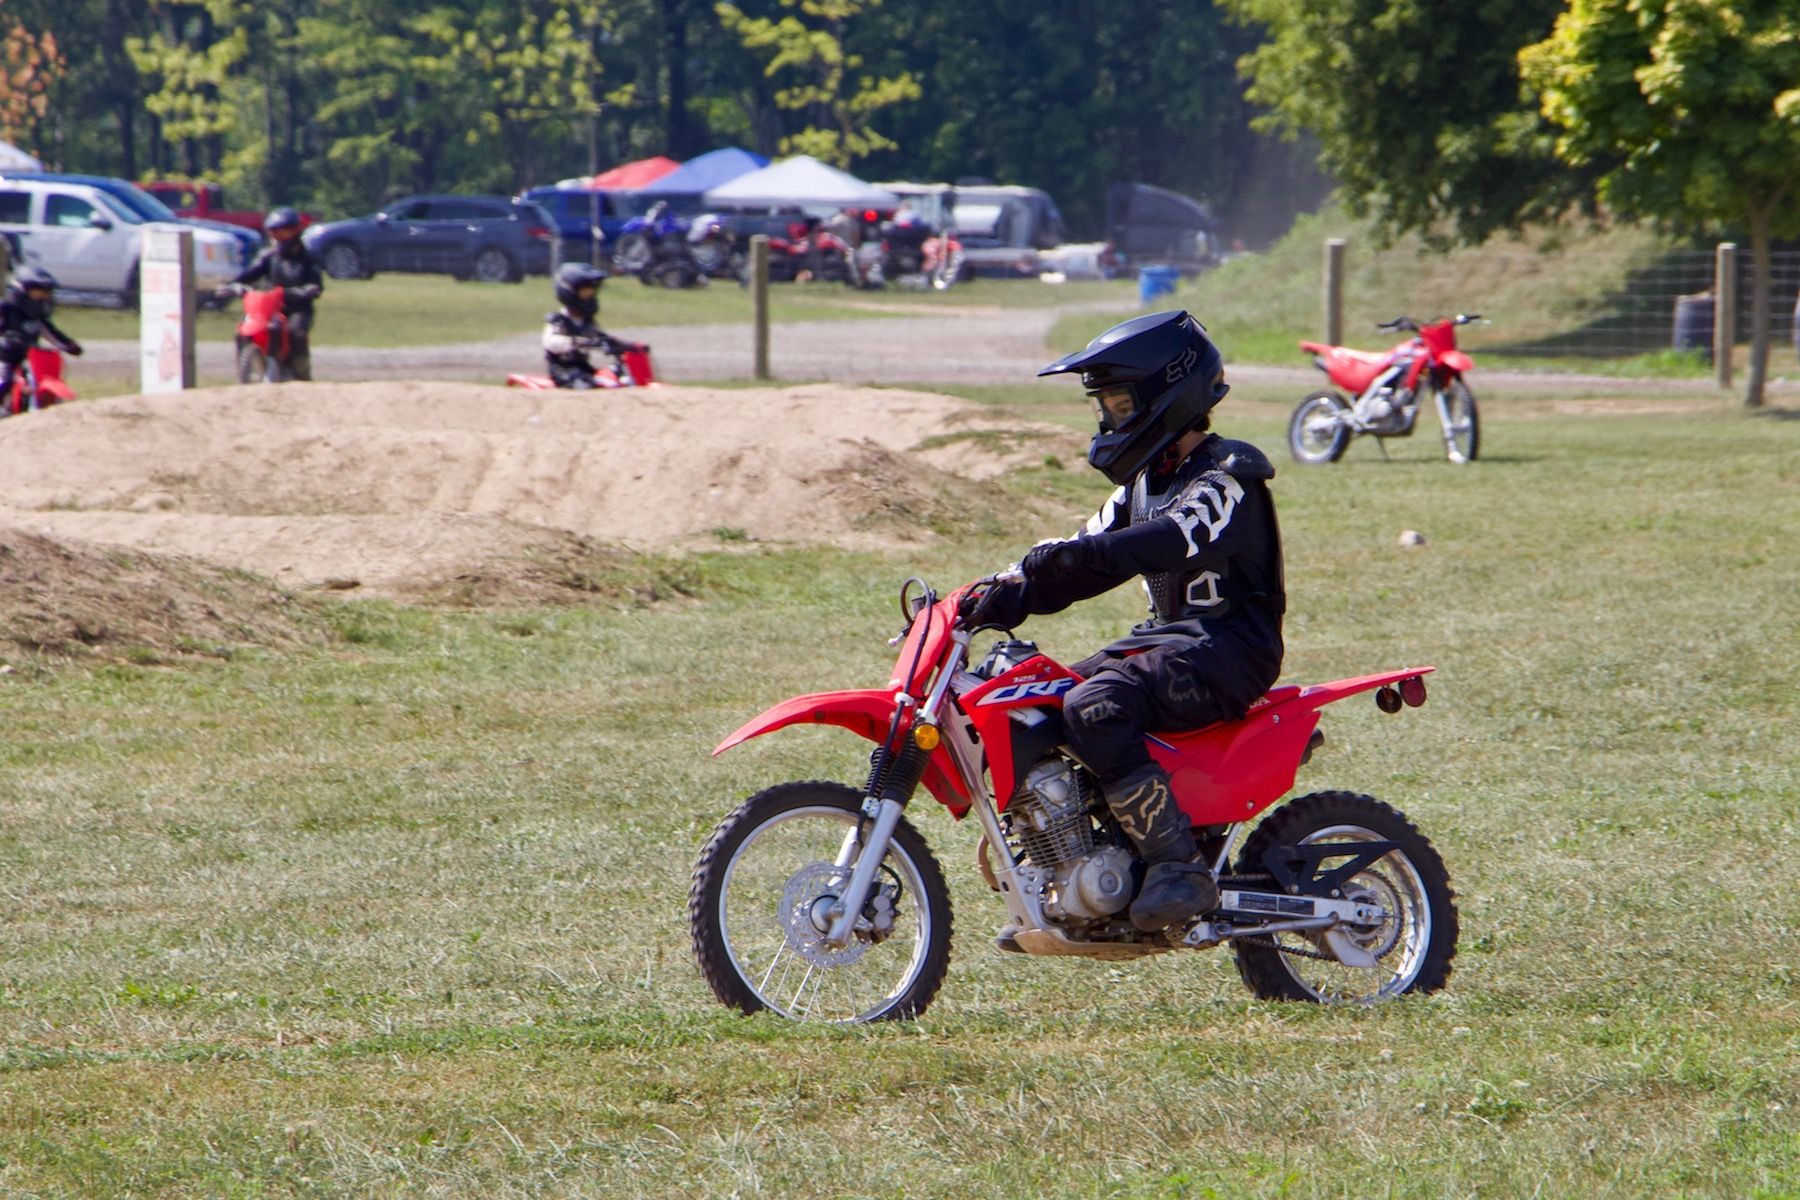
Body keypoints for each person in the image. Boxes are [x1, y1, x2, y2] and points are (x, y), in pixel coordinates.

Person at [963, 310, 1286, 933]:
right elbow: (1079, 563)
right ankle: (1080, 864)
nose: (1108, 419)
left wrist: (1075, 556)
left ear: (1165, 394)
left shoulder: (1230, 474)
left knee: (1097, 704)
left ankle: (1177, 866)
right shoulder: (1139, 487)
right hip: (1168, 643)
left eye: (1117, 402)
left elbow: (1169, 540)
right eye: (1103, 406)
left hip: (1229, 647)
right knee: (1038, 694)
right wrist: (994, 596)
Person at [230, 207, 324, 380]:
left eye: (285, 232)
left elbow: (315, 284)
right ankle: (243, 373)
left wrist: (302, 291)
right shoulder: (268, 256)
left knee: (296, 332)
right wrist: (234, 286)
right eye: (276, 233)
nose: (280, 237)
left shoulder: (307, 257)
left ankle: (301, 372)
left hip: (297, 308)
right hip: (268, 307)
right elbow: (247, 276)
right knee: (243, 330)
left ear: (296, 231)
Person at [542, 262, 639, 388]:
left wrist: (629, 346)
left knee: (613, 377)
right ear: (569, 293)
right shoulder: (559, 320)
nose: (590, 297)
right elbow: (551, 343)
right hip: (563, 371)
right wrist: (579, 342)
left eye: (592, 293)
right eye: (585, 293)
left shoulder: (588, 323)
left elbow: (602, 338)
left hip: (583, 367)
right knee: (584, 383)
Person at [0, 266, 82, 415]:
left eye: (47, 293)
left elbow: (53, 334)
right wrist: (7, 340)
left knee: (35, 380)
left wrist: (69, 345)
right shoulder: (6, 309)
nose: (43, 298)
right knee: (4, 380)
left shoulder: (38, 319)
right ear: (22, 291)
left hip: (30, 358)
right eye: (38, 293)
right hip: (6, 357)